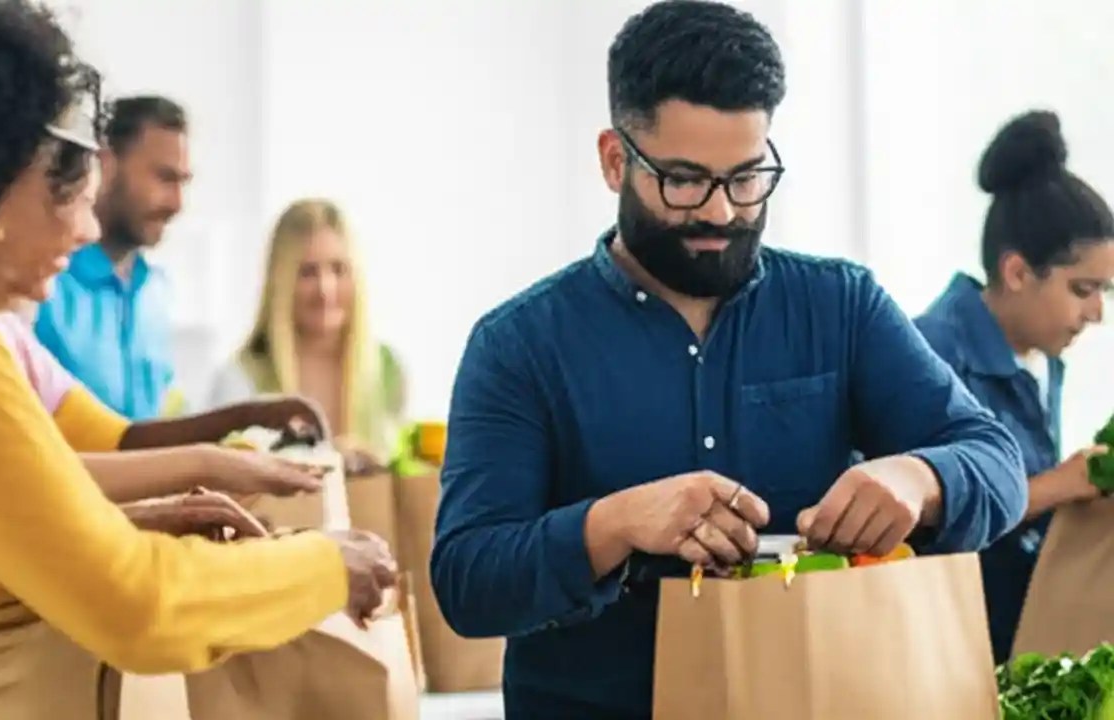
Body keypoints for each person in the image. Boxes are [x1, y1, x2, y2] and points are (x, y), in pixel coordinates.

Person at [430, 2, 1028, 717]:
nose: (721, 213)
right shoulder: (519, 345)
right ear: (615, 160)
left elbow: (996, 463)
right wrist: (614, 524)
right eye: (684, 180)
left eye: (747, 178)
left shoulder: (842, 306)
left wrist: (919, 476)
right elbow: (467, 581)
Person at [0, 2, 395, 716]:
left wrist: (160, 508)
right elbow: (140, 606)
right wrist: (324, 566)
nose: (86, 228)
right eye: (70, 193)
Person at [0, 245, 332, 504]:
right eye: (59, 193)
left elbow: (113, 438)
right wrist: (208, 466)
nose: (83, 232)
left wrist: (245, 419)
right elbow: (23, 484)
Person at [914, 110, 1114, 664]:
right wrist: (1061, 483)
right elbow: (921, 514)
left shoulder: (1044, 357)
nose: (1097, 312)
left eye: (1105, 291)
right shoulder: (930, 352)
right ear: (1018, 272)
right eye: (1083, 289)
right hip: (950, 644)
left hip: (1023, 631)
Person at [208, 198, 407, 469]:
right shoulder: (238, 380)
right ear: (281, 281)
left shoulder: (388, 369)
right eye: (308, 272)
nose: (326, 289)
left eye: (338, 269)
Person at [34, 95, 191, 420]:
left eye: (183, 182)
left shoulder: (157, 292)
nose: (177, 203)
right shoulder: (40, 283)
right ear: (105, 164)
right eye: (164, 178)